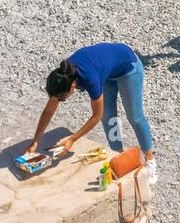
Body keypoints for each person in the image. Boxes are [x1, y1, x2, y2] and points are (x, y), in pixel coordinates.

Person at [27, 43, 156, 184]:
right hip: (108, 73)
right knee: (108, 117)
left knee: (135, 117)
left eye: (63, 99)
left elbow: (96, 116)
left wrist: (71, 140)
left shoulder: (91, 79)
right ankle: (117, 153)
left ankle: (150, 160)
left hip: (129, 68)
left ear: (73, 86)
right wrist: (35, 141)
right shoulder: (62, 77)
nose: (61, 101)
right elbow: (48, 112)